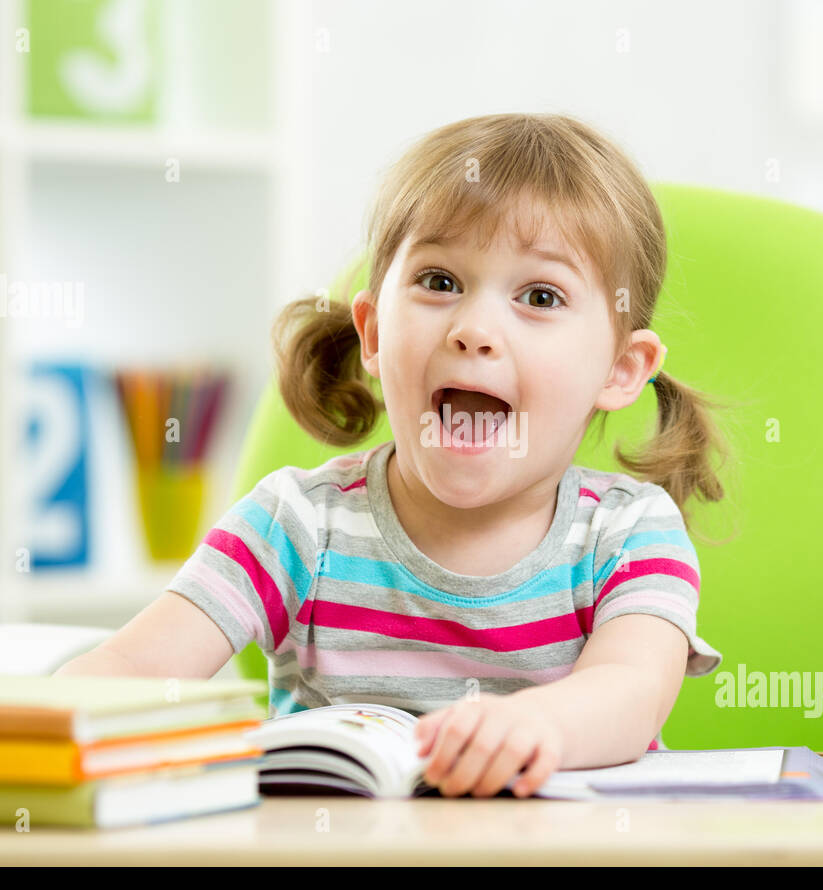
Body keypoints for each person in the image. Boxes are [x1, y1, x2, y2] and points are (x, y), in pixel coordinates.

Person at [57, 112, 731, 798]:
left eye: (539, 296)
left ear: (621, 368)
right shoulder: (293, 523)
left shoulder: (627, 532)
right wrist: (48, 713)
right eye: (440, 282)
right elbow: (134, 666)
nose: (474, 330)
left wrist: (535, 727)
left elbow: (632, 691)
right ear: (374, 334)